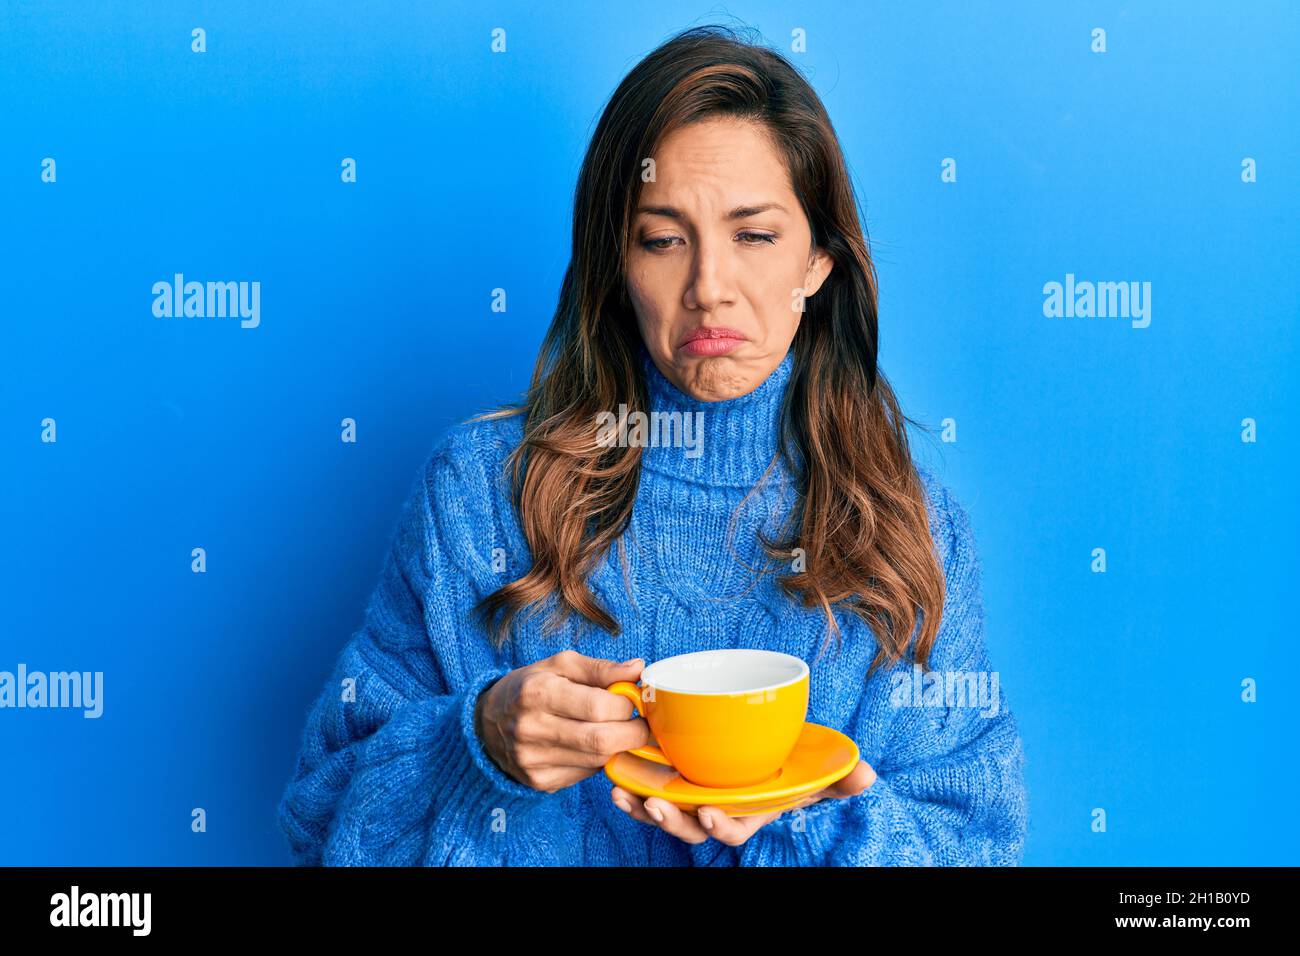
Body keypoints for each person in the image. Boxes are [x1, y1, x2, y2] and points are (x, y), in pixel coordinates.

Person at [277, 23, 1028, 866]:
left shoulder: (908, 527)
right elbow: (321, 822)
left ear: (818, 262)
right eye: (663, 239)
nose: (710, 288)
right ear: (615, 262)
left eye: (755, 235)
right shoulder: (479, 496)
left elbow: (974, 842)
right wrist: (474, 747)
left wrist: (808, 834)